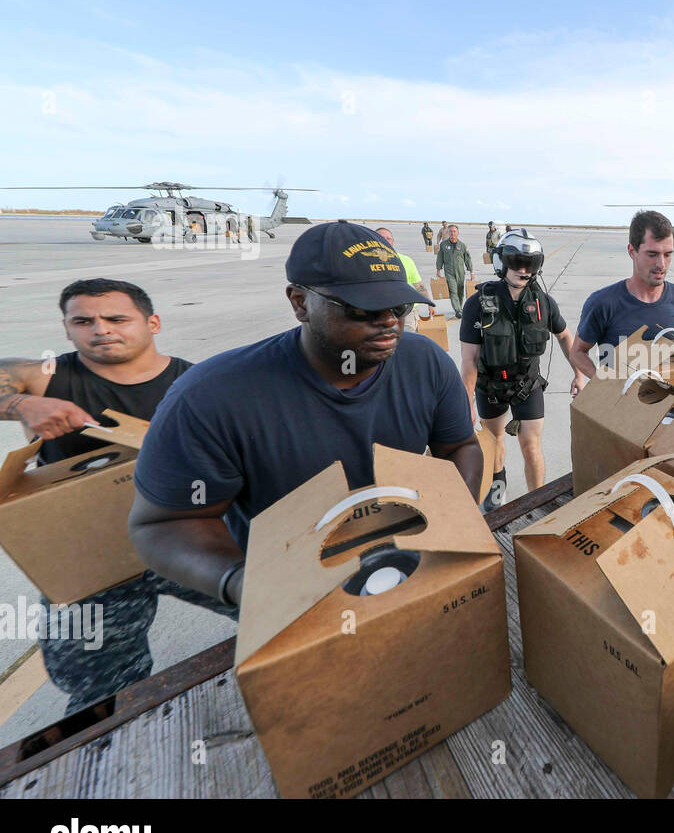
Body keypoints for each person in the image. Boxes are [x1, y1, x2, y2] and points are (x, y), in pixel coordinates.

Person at [127, 221, 483, 610]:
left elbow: (460, 445)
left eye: (399, 305)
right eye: (363, 309)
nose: (389, 321)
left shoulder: (425, 363)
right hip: (290, 592)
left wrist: (450, 522)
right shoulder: (211, 397)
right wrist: (245, 584)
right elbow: (163, 523)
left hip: (408, 565)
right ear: (299, 302)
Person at [0, 279, 227, 714]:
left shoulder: (197, 381)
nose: (100, 329)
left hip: (188, 540)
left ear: (152, 322)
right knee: (99, 691)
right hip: (91, 561)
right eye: (83, 321)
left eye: (116, 318)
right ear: (67, 329)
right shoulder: (45, 378)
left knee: (286, 611)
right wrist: (22, 406)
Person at [460, 229, 581, 510]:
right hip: (491, 386)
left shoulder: (544, 303)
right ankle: (497, 497)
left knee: (530, 445)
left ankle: (536, 504)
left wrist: (578, 373)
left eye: (530, 264)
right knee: (496, 442)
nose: (522, 270)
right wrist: (467, 402)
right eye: (515, 261)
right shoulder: (477, 305)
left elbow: (565, 337)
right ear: (501, 262)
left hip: (528, 384)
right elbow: (469, 360)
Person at [571, 210, 674, 390]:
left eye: (667, 254)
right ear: (632, 251)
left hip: (667, 408)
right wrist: (605, 385)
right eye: (652, 254)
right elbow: (577, 352)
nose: (662, 264)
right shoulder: (603, 303)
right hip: (619, 409)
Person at [376, 227, 431, 334]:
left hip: (406, 312)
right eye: (381, 238)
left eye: (389, 238)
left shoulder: (406, 260)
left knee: (407, 342)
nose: (385, 241)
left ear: (393, 242)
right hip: (379, 311)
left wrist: (429, 303)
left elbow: (418, 284)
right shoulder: (365, 262)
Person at [436, 224, 474, 319]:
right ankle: (457, 310)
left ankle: (459, 308)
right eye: (450, 231)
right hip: (449, 272)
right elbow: (440, 257)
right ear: (448, 233)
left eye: (454, 231)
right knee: (453, 291)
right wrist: (438, 269)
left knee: (460, 292)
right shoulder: (443, 245)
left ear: (458, 233)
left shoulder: (462, 246)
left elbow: (468, 259)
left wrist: (471, 272)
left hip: (460, 272)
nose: (452, 233)